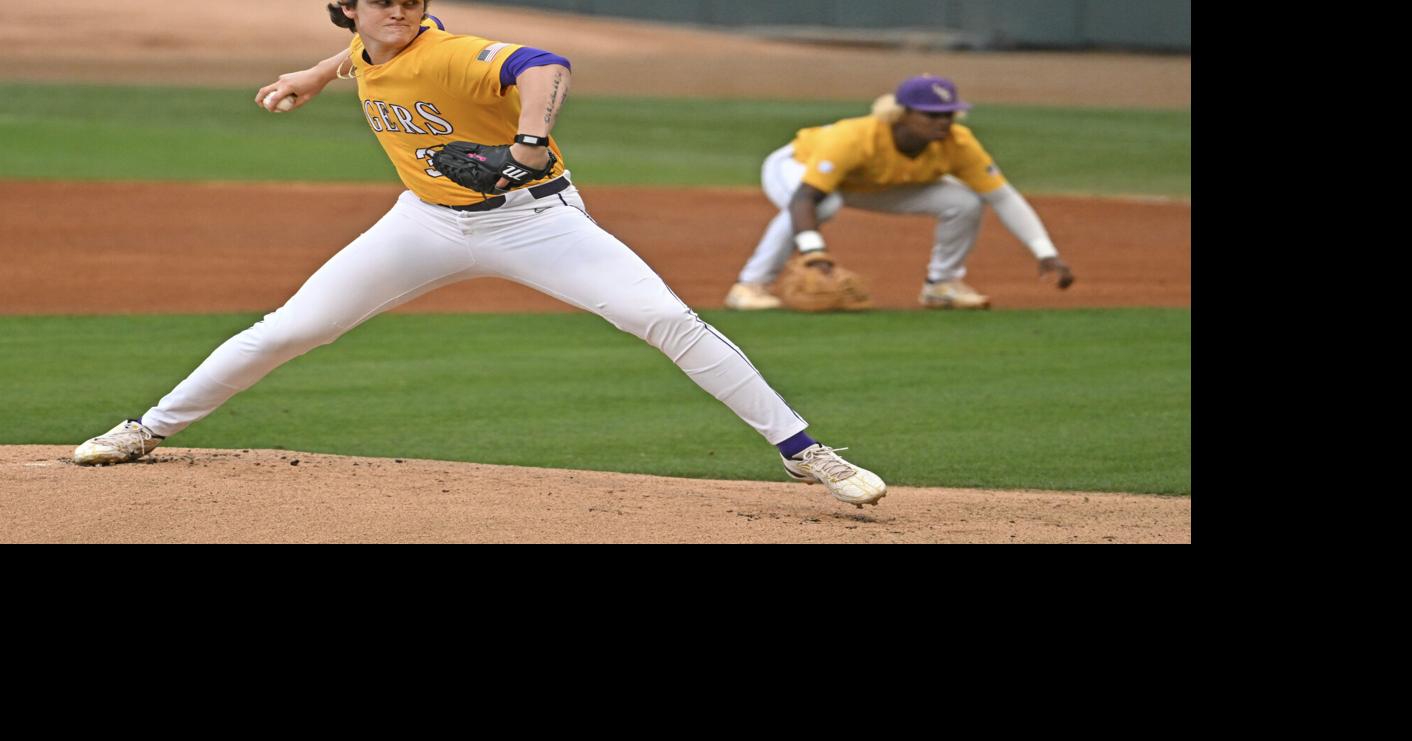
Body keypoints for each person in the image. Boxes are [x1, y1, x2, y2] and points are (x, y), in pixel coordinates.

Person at [71, 0, 886, 508]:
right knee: (290, 328)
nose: (402, 10)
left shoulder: (447, 48)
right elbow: (362, 55)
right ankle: (148, 428)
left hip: (539, 221)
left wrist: (529, 144)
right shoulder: (366, 46)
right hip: (423, 222)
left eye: (411, 0)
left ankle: (805, 452)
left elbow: (544, 64)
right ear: (347, 9)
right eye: (382, 2)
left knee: (664, 318)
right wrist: (315, 75)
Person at [724, 74, 1076, 311]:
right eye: (931, 114)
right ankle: (749, 286)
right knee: (825, 203)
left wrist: (1045, 251)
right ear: (901, 114)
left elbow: (1002, 196)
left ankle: (942, 285)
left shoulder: (957, 144)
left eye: (949, 114)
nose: (943, 122)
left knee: (963, 201)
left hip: (871, 182)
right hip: (796, 166)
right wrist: (815, 254)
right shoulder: (852, 137)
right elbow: (805, 198)